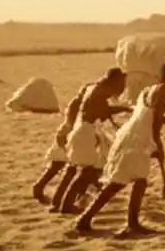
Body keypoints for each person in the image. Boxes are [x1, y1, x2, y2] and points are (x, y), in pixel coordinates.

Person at [75, 58, 165, 236]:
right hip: (138, 140)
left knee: (133, 181)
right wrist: (158, 146)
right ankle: (125, 223)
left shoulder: (149, 89)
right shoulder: (163, 93)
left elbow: (149, 118)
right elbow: (155, 125)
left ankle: (92, 219)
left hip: (131, 135)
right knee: (123, 182)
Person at [47, 68, 132, 213]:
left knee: (78, 170)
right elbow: (103, 112)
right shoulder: (98, 93)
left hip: (83, 132)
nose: (122, 87)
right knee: (85, 173)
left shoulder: (96, 91)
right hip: (84, 133)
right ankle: (66, 205)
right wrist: (127, 109)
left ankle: (60, 202)